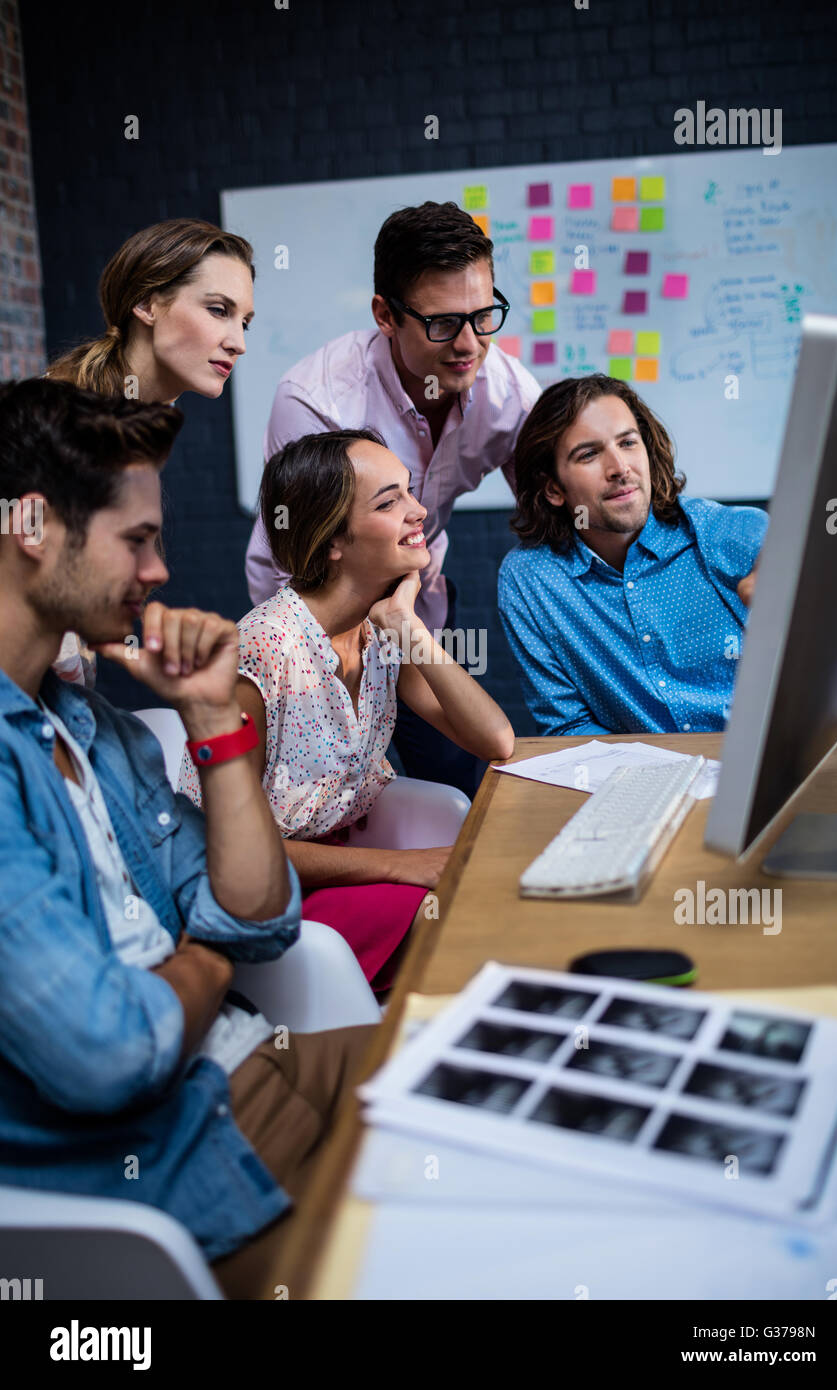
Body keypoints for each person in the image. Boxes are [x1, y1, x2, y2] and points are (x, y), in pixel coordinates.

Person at [0, 378, 376, 1300]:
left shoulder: (96, 727)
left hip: (250, 1057)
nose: (161, 572)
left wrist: (213, 722)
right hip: (172, 1163)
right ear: (34, 526)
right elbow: (108, 1053)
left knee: (527, 1089)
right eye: (139, 540)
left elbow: (266, 918)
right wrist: (211, 953)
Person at [182, 428, 515, 989]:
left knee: (483, 900)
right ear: (332, 539)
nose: (418, 511)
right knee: (465, 920)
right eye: (389, 502)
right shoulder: (263, 648)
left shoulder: (381, 629)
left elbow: (495, 740)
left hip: (340, 870)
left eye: (409, 491)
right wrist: (399, 866)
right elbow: (231, 846)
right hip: (260, 895)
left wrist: (410, 627)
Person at [244, 200, 540, 798]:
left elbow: (553, 509)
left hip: (413, 605)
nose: (470, 345)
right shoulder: (317, 399)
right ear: (385, 314)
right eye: (442, 324)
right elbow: (301, 556)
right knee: (314, 791)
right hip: (313, 615)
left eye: (484, 316)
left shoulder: (508, 394)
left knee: (457, 777)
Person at [47, 217, 256, 686]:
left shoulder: (136, 420)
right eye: (218, 310)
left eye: (244, 322)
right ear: (146, 302)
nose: (238, 343)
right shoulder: (65, 424)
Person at [498, 375, 767, 736]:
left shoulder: (734, 536)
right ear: (553, 489)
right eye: (589, 454)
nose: (620, 468)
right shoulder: (531, 580)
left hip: (760, 768)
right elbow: (568, 726)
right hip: (639, 780)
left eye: (627, 443)